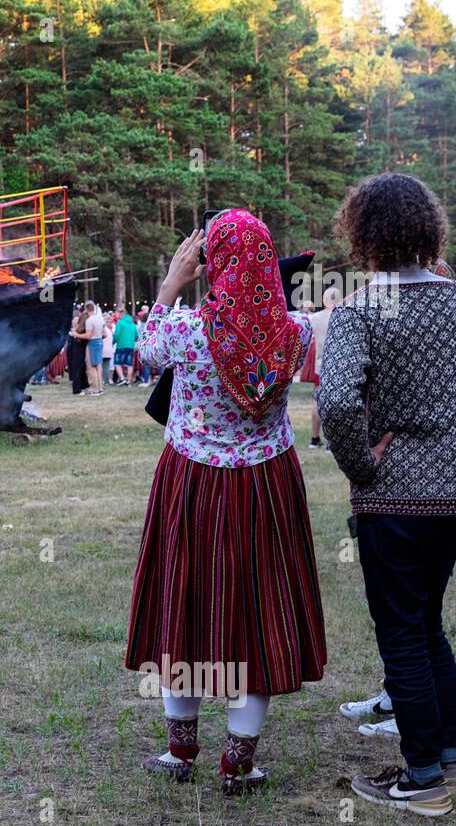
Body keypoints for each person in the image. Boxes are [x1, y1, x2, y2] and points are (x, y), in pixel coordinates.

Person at [317, 172, 456, 817]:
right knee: (427, 625)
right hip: (454, 498)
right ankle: (447, 758)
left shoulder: (360, 309)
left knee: (402, 635)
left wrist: (361, 465)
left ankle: (422, 781)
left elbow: (335, 401)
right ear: (429, 230)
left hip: (391, 498)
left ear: (362, 233)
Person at [126, 211, 325, 795]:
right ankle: (238, 763)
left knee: (184, 604)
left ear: (213, 263)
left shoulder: (185, 330)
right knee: (256, 613)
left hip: (191, 481)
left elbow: (147, 357)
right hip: (266, 482)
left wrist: (171, 282)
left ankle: (180, 749)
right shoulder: (296, 332)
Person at [306, 288, 340, 450]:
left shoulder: (314, 318)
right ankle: (330, 442)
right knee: (335, 404)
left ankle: (314, 439)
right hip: (338, 366)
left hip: (320, 366)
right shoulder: (341, 317)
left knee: (317, 403)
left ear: (325, 300)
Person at [67, 305, 90, 395]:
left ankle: (83, 385)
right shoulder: (80, 330)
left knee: (80, 368)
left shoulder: (80, 330)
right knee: (77, 368)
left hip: (76, 350)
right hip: (77, 351)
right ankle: (77, 389)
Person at [83, 302, 104, 394]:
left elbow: (88, 336)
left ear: (87, 309)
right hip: (99, 342)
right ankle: (100, 388)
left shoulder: (89, 320)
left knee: (91, 367)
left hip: (92, 343)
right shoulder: (100, 319)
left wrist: (76, 334)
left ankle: (95, 388)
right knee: (99, 366)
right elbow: (105, 334)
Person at [113, 305, 138, 386]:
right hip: (130, 346)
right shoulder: (133, 324)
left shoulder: (119, 323)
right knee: (129, 364)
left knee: (117, 363)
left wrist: (113, 341)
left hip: (121, 346)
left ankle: (122, 379)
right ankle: (129, 381)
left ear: (121, 314)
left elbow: (116, 334)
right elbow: (137, 336)